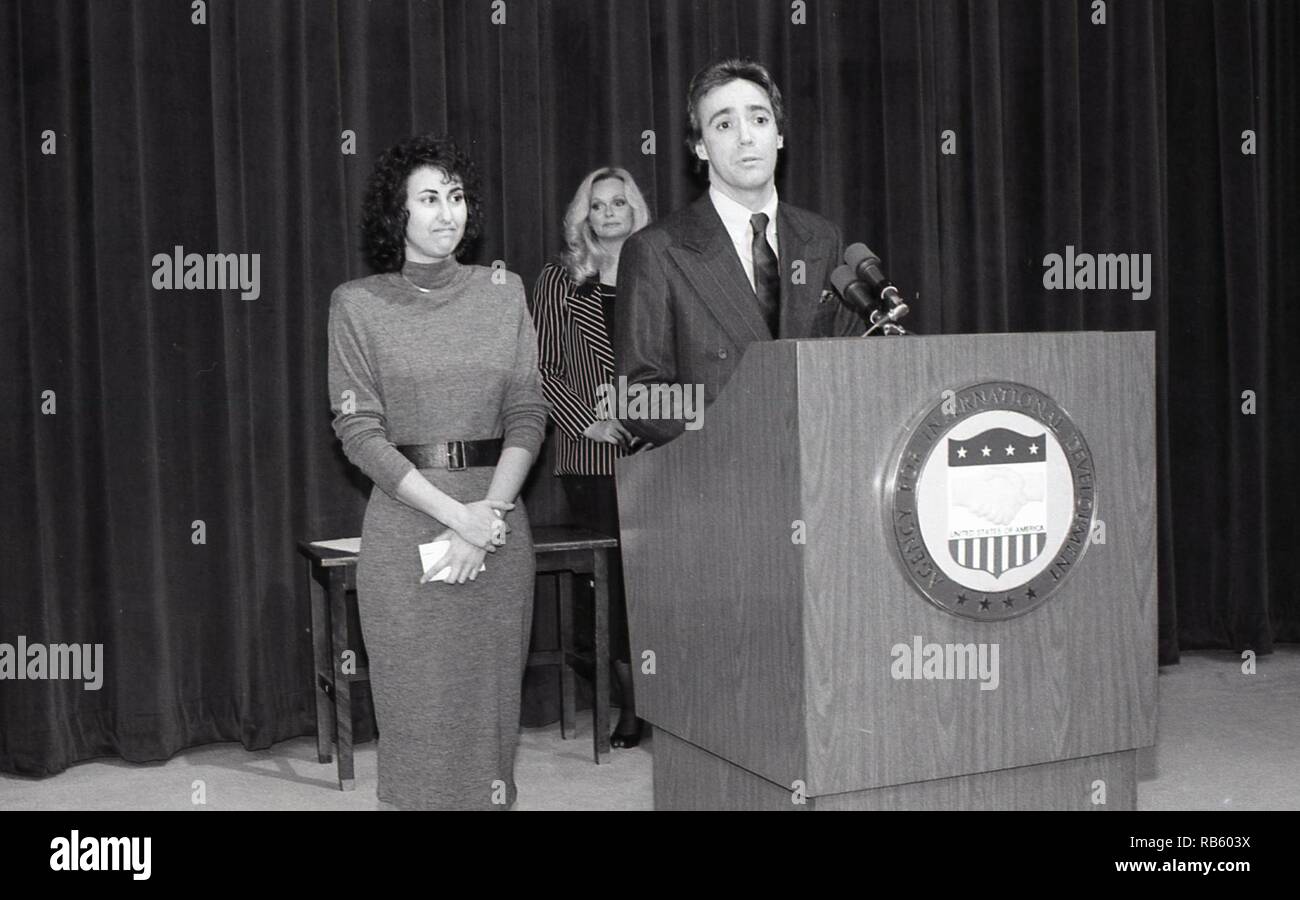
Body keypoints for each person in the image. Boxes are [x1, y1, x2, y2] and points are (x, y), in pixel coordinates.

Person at [327, 134, 547, 809]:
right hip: (407, 531)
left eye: (455, 197)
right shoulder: (357, 304)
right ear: (398, 215)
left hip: (499, 526)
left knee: (489, 725)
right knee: (419, 718)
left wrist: (490, 516)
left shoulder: (503, 293)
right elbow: (358, 431)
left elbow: (528, 412)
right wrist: (461, 519)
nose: (447, 212)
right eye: (429, 199)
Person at [614, 58, 860, 446]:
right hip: (719, 476)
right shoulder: (656, 250)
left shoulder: (823, 238)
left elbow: (852, 363)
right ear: (700, 147)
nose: (746, 137)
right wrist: (735, 425)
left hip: (819, 467)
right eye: (724, 124)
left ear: (779, 135)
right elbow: (638, 396)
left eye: (760, 120)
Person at [532, 167, 652, 747]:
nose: (608, 213)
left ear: (635, 211)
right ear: (584, 215)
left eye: (619, 203)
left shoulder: (661, 267)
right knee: (619, 588)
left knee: (664, 581)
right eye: (597, 205)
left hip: (660, 451)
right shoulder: (561, 277)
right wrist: (589, 421)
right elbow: (545, 367)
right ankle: (631, 708)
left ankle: (679, 704)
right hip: (591, 455)